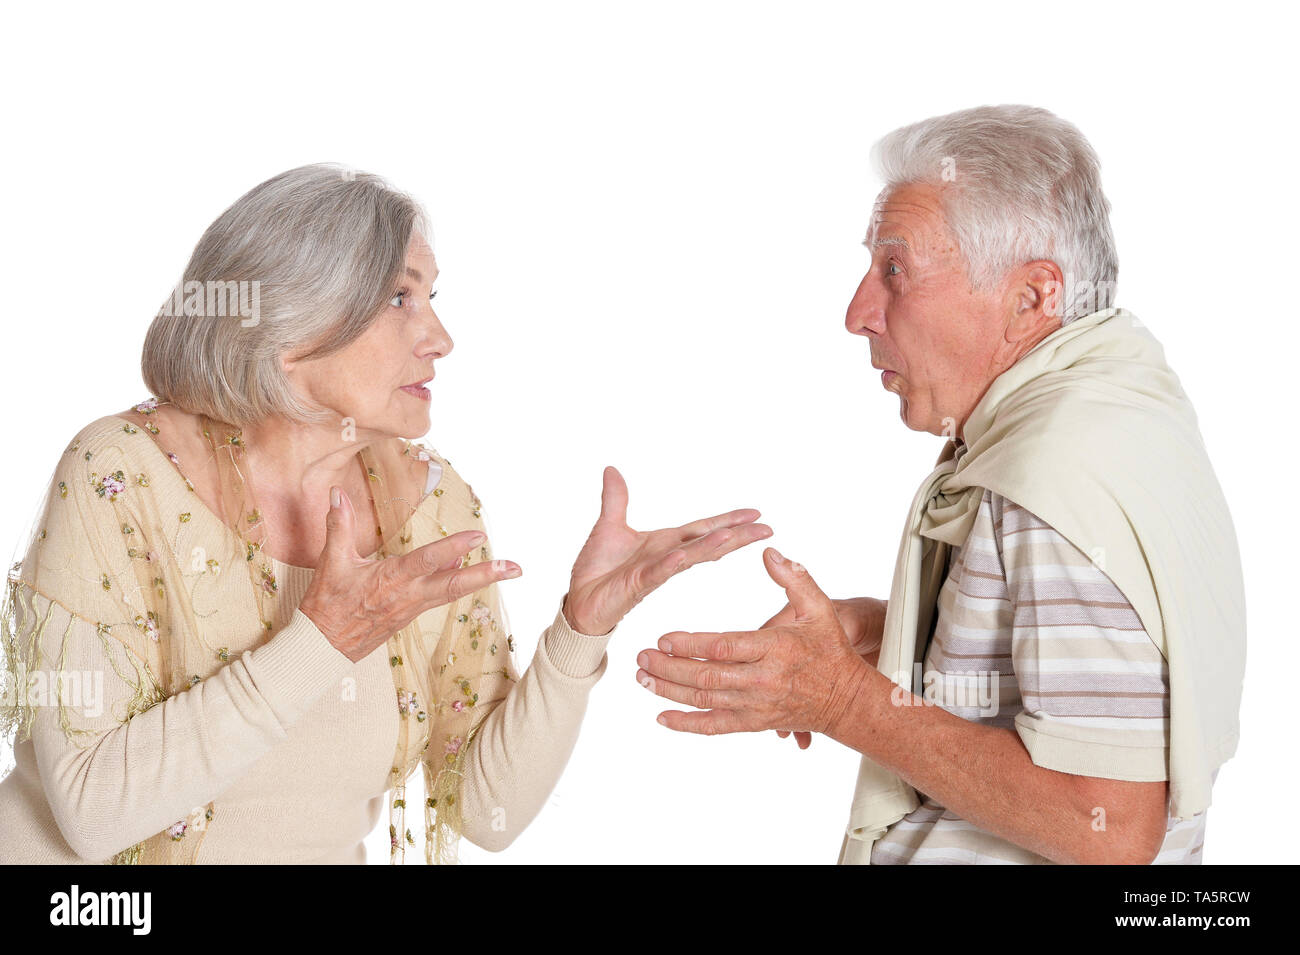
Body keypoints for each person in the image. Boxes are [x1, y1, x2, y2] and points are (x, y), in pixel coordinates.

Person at [0, 163, 772, 864]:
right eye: (400, 297)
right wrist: (323, 640)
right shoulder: (123, 474)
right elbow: (94, 814)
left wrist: (580, 631)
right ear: (289, 331)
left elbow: (486, 809)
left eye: (432, 298)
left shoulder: (431, 504)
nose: (440, 338)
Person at [632, 105, 1246, 865]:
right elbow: (1088, 659)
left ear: (1031, 297)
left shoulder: (1057, 475)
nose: (858, 312)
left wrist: (838, 699)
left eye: (895, 271)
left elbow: (1110, 823)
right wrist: (896, 637)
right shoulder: (1125, 409)